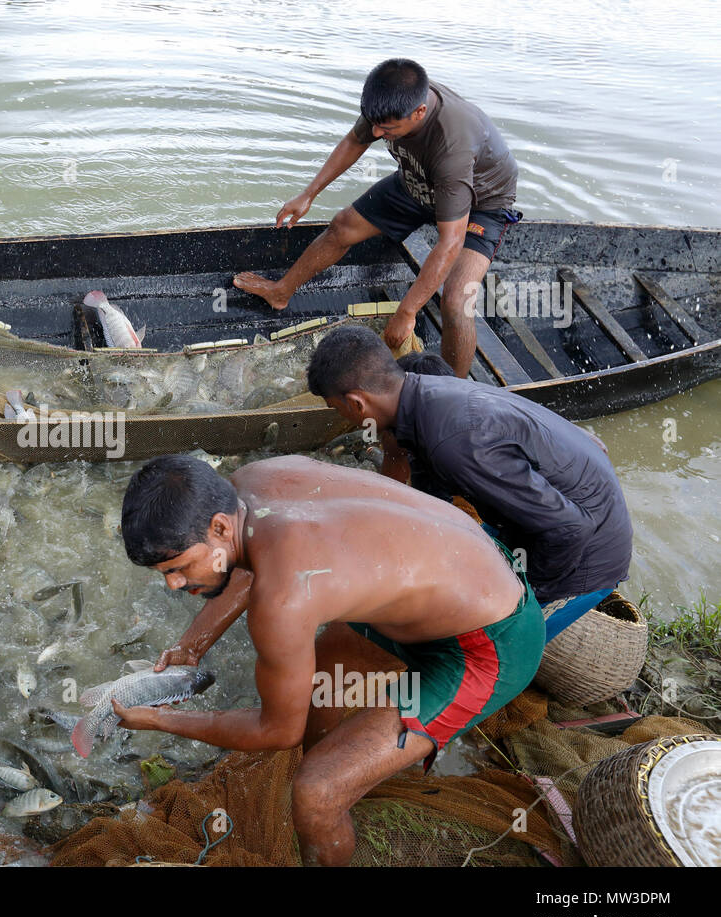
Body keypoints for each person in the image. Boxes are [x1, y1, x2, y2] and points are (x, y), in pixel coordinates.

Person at [116, 454, 544, 866]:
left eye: (180, 568)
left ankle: (326, 806)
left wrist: (160, 720)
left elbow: (277, 730)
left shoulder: (283, 601)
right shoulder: (253, 481)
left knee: (315, 793)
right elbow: (255, 558)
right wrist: (192, 644)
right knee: (323, 680)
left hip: (487, 646)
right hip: (449, 579)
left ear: (219, 526)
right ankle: (343, 775)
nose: (174, 585)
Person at [307, 325, 632, 642]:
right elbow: (429, 502)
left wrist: (516, 602)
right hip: (536, 521)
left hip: (586, 551)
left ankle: (517, 636)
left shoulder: (455, 440)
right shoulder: (422, 398)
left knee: (486, 648)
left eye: (337, 410)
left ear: (356, 404)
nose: (345, 418)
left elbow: (570, 530)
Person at [233, 58, 521, 376]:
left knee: (455, 300)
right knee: (342, 226)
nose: (376, 132)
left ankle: (453, 391)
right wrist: (308, 194)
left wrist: (408, 311)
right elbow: (355, 141)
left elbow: (450, 241)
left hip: (481, 203)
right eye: (374, 123)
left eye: (386, 129)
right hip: (417, 182)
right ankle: (280, 293)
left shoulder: (452, 146)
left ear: (419, 113)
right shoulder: (388, 105)